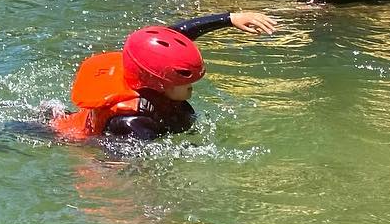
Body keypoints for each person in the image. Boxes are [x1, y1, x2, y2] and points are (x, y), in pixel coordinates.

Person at [51, 11, 278, 140]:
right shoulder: (132, 124)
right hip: (68, 138)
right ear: (158, 83)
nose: (192, 84)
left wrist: (230, 18)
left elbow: (172, 37)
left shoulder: (142, 67)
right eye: (184, 80)